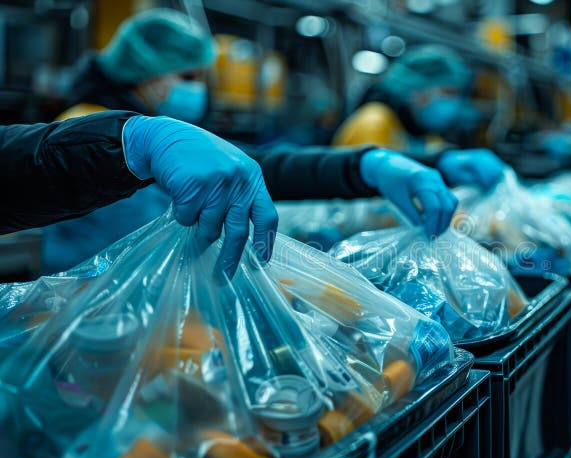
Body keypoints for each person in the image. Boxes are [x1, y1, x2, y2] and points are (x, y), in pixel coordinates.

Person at [43, 8, 456, 273]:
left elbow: (249, 166)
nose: (199, 89)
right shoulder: (92, 132)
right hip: (96, 315)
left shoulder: (163, 133)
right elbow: (147, 244)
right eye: (188, 77)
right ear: (142, 71)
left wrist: (362, 166)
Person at [1, 111, 275, 278]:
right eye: (187, 76)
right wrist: (125, 142)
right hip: (87, 292)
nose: (196, 88)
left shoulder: (150, 120)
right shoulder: (87, 117)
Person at [332, 44, 508, 193]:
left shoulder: (423, 135)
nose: (454, 103)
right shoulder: (374, 121)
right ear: (418, 90)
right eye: (448, 93)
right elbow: (371, 199)